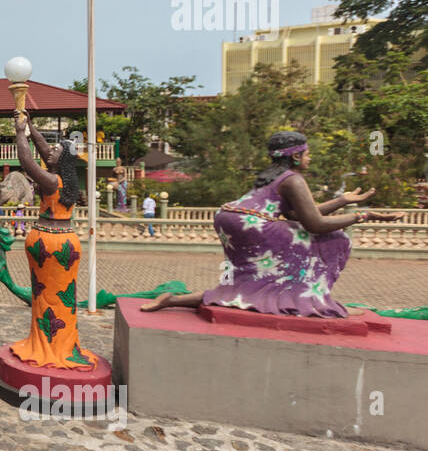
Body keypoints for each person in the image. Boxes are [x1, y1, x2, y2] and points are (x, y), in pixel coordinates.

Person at [142, 130, 401, 317]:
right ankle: (312, 300)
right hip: (252, 224)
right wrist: (364, 216)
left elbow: (299, 215)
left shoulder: (273, 177)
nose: (310, 159)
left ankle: (172, 300)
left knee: (248, 284)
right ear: (296, 156)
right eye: (307, 154)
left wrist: (343, 200)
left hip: (229, 218)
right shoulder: (293, 180)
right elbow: (315, 224)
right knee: (335, 239)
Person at [9, 112, 99, 370]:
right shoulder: (65, 181)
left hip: (49, 246)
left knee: (48, 297)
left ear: (63, 159)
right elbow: (43, 149)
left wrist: (19, 133)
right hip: (66, 243)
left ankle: (51, 345)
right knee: (59, 298)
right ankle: (62, 343)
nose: (51, 151)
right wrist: (30, 127)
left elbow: (27, 162)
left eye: (57, 150)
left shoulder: (51, 182)